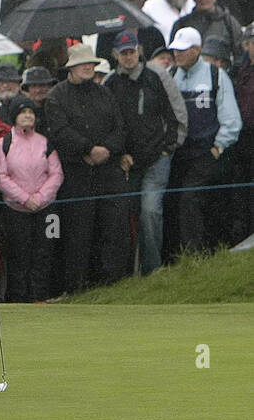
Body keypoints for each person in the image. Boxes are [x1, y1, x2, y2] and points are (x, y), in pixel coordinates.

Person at [44, 43, 131, 294]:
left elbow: (120, 127)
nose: (88, 67)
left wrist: (106, 150)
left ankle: (112, 286)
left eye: (91, 64)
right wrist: (88, 149)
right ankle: (77, 289)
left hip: (108, 172)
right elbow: (60, 132)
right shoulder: (57, 96)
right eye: (83, 63)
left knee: (113, 229)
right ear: (71, 67)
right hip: (76, 174)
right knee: (77, 235)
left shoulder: (105, 93)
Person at [103, 30, 180, 275]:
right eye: (123, 53)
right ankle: (128, 274)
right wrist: (119, 154)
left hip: (157, 158)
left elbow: (174, 115)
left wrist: (168, 148)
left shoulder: (155, 76)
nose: (128, 57)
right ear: (116, 55)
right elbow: (109, 125)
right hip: (126, 162)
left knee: (149, 212)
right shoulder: (110, 84)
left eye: (132, 51)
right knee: (125, 216)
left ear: (139, 51)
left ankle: (153, 270)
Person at [168, 26, 242, 253]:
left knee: (191, 199)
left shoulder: (216, 75)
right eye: (175, 50)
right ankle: (181, 254)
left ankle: (194, 255)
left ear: (197, 49)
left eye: (183, 50)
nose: (177, 54)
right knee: (177, 202)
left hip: (207, 153)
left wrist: (218, 147)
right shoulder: (170, 76)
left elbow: (231, 118)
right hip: (179, 154)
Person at [0, 96, 63, 301]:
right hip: (16, 211)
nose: (28, 116)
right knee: (18, 256)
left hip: (47, 211)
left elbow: (56, 174)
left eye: (31, 112)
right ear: (15, 117)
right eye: (23, 112)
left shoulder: (45, 142)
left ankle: (40, 296)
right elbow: (0, 177)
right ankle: (18, 299)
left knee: (45, 252)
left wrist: (39, 198)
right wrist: (25, 199)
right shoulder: (3, 143)